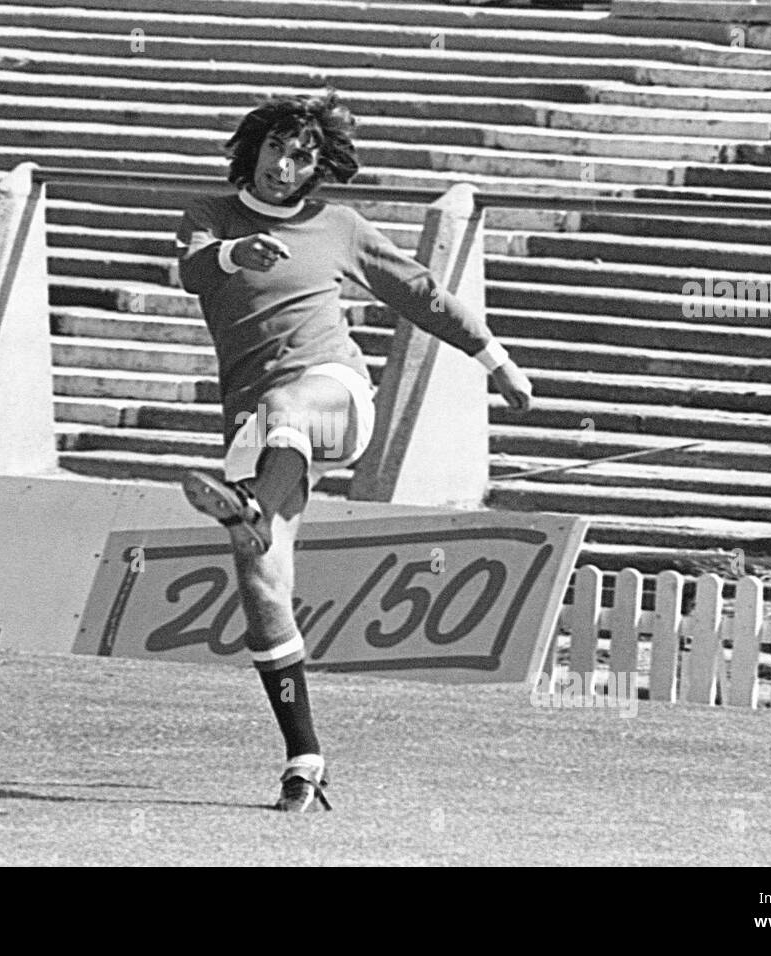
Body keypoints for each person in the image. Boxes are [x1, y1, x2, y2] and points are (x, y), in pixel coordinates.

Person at [174, 90, 533, 812]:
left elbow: (421, 293)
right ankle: (304, 757)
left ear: (320, 167)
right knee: (261, 587)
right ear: (254, 148)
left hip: (333, 399)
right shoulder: (210, 216)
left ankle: (251, 504)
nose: (284, 165)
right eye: (276, 149)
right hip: (259, 427)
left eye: (302, 157)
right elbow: (195, 269)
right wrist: (233, 252)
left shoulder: (338, 225)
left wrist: (496, 360)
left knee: (287, 407)